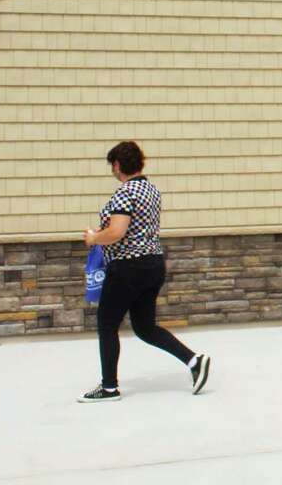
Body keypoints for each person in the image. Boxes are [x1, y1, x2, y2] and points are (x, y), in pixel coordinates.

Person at [79, 141, 211, 402]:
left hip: (128, 267)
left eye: (113, 166)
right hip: (153, 265)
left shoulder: (125, 193)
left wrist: (94, 238)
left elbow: (117, 231)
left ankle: (108, 388)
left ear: (117, 165)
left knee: (106, 325)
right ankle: (194, 361)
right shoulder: (151, 190)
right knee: (145, 327)